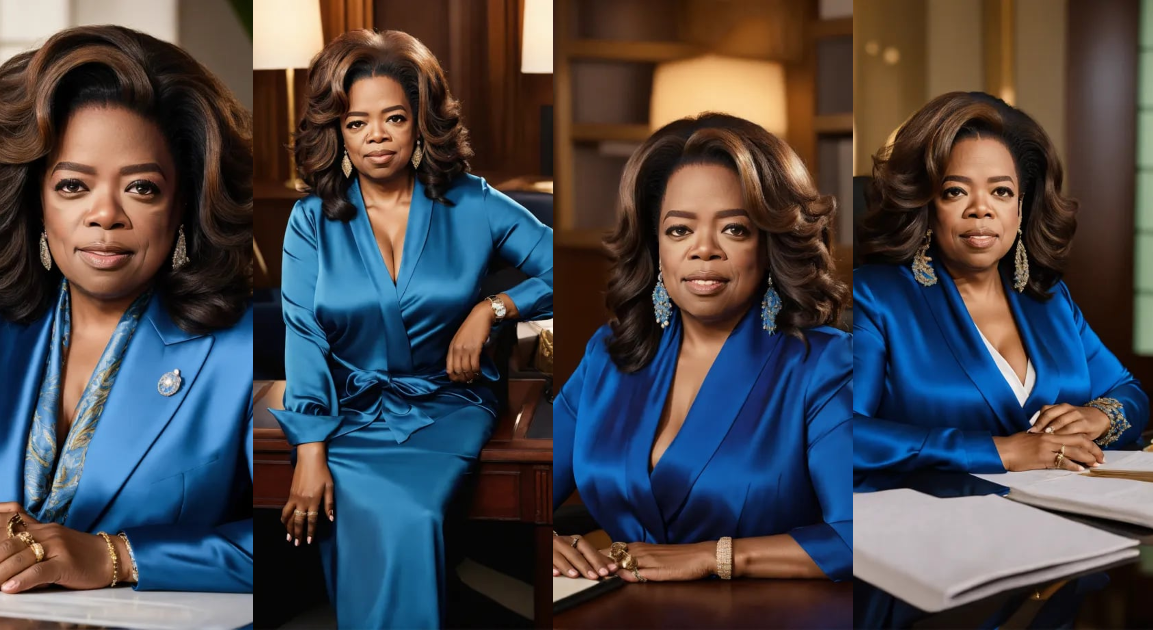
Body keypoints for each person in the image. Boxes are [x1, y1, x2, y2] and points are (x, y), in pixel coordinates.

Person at [0, 25, 253, 594]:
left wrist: (116, 556)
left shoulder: (239, 348)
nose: (105, 215)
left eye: (141, 188)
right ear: (35, 195)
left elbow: (292, 530)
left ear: (184, 200)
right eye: (72, 186)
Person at [272, 29, 553, 628]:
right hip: (348, 413)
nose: (376, 135)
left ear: (420, 123)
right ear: (338, 133)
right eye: (356, 123)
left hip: (449, 403)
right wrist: (311, 447)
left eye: (394, 117)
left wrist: (493, 308)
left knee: (412, 511)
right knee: (355, 503)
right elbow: (302, 333)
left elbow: (564, 265)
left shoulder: (473, 203)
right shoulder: (309, 221)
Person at [551, 113, 852, 584]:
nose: (703, 250)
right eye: (679, 230)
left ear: (770, 242)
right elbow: (533, 490)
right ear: (656, 246)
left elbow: (856, 536)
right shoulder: (610, 353)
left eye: (734, 229)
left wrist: (718, 555)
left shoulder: (825, 365)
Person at [854, 91, 1148, 484]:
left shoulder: (1048, 299)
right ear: (926, 204)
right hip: (937, 530)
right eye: (955, 191)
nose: (981, 208)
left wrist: (1095, 417)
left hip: (1065, 523)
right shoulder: (875, 297)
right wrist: (1000, 450)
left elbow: (1128, 391)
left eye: (1001, 191)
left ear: (1020, 208)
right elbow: (842, 433)